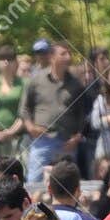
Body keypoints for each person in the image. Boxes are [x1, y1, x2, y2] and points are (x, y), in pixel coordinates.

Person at [18, 41, 90, 188]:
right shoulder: (35, 81)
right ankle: (34, 210)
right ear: (51, 57)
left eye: (69, 53)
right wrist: (30, 127)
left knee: (68, 183)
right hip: (42, 140)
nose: (68, 57)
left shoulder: (76, 85)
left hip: (67, 143)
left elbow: (83, 115)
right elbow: (24, 109)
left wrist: (77, 137)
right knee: (34, 181)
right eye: (63, 54)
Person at [0, 45, 25, 162]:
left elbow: (25, 113)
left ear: (16, 62)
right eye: (2, 59)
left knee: (17, 171)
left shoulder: (24, 84)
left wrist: (10, 132)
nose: (6, 62)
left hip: (18, 138)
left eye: (10, 59)